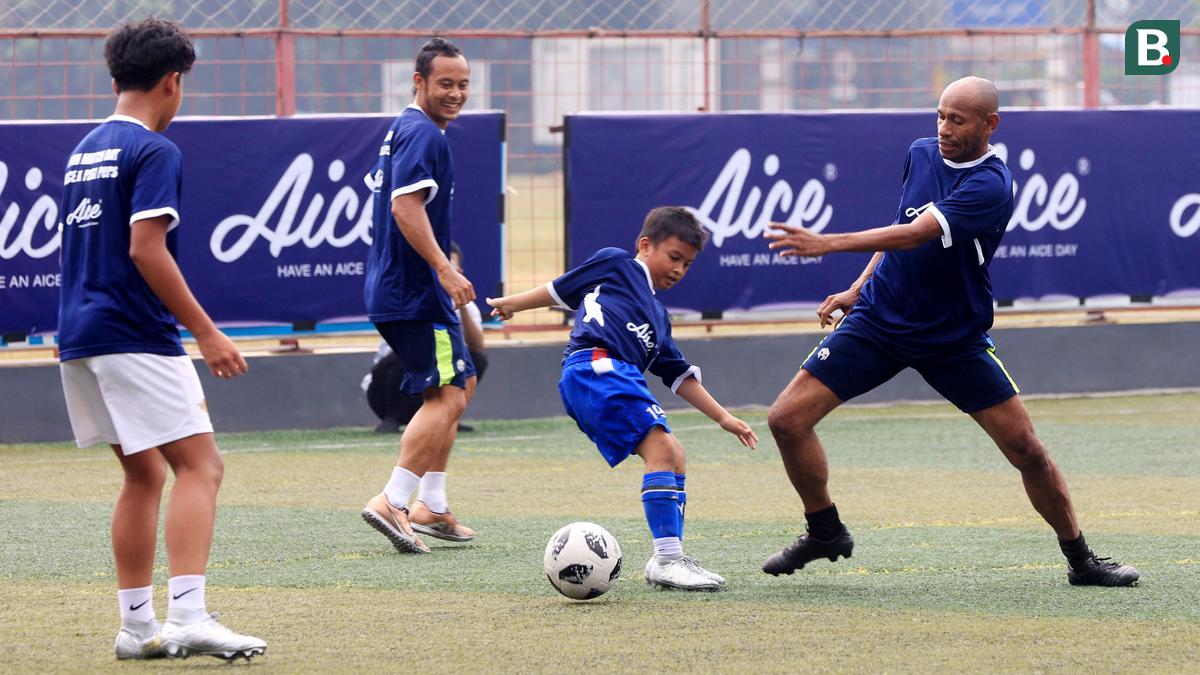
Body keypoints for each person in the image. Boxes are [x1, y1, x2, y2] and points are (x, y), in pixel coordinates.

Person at [759, 76, 1139, 587]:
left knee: (1026, 449)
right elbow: (899, 225)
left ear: (990, 124)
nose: (943, 128)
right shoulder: (920, 153)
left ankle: (1082, 560)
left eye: (957, 120)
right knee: (785, 419)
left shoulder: (991, 184)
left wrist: (827, 243)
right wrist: (857, 288)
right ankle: (825, 529)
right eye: (940, 115)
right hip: (880, 321)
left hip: (952, 339)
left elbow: (918, 233)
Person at [56, 18, 266, 661]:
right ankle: (189, 617)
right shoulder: (154, 150)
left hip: (80, 334)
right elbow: (146, 249)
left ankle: (136, 628)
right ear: (173, 82)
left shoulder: (85, 148)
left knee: (143, 474)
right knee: (200, 466)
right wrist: (206, 332)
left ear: (116, 75)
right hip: (134, 334)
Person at [487, 207, 758, 591]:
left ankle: (668, 557)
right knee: (663, 451)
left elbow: (679, 376)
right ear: (645, 245)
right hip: (594, 366)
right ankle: (668, 560)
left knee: (673, 454)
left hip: (616, 375)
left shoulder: (659, 318)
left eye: (689, 264)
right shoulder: (618, 265)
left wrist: (724, 418)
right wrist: (513, 302)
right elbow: (560, 289)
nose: (679, 269)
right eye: (674, 257)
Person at [361, 37, 477, 553]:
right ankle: (395, 499)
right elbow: (405, 209)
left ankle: (431, 502)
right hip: (414, 292)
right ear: (419, 83)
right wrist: (444, 271)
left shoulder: (403, 132)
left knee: (459, 386)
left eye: (462, 84)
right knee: (449, 393)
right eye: (445, 84)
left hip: (400, 287)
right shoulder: (423, 134)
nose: (455, 93)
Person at [363, 242, 488, 433]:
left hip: (435, 378)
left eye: (449, 264)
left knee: (474, 359)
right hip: (388, 388)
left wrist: (460, 305)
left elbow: (477, 346)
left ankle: (450, 412)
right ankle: (392, 418)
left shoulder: (468, 306)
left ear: (459, 271)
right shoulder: (412, 296)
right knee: (410, 351)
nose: (443, 269)